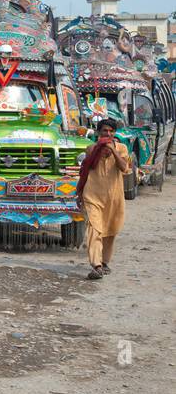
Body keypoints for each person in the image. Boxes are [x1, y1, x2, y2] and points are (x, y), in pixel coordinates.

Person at [75, 118, 131, 280]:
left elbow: (124, 168)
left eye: (111, 131)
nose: (108, 134)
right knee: (94, 229)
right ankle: (96, 265)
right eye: (105, 131)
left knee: (110, 231)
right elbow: (84, 172)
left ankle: (105, 262)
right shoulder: (91, 149)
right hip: (92, 195)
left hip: (114, 198)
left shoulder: (122, 148)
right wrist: (79, 194)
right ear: (99, 132)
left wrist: (113, 151)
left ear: (115, 133)